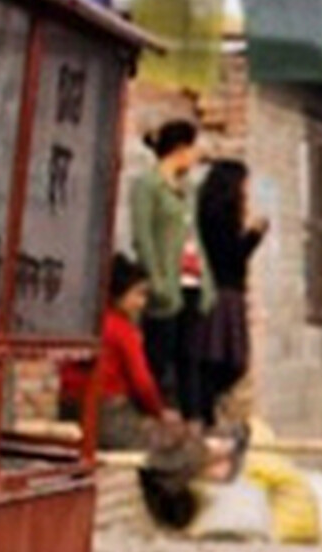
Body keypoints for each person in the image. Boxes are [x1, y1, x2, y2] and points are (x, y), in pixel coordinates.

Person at [130, 120, 213, 417]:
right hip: (166, 283)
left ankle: (192, 423)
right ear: (180, 149)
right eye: (192, 148)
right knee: (159, 357)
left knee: (190, 359)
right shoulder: (148, 185)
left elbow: (196, 236)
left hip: (192, 281)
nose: (195, 155)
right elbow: (142, 237)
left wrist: (207, 282)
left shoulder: (187, 189)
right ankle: (152, 421)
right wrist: (156, 280)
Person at [58, 254, 180, 450]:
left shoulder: (85, 322)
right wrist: (160, 412)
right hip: (109, 418)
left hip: (70, 412)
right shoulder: (122, 330)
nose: (142, 303)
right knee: (182, 442)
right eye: (138, 294)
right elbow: (142, 383)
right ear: (120, 293)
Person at [193, 158, 267, 427]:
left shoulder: (211, 211)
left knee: (222, 360)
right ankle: (206, 410)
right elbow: (232, 256)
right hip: (223, 291)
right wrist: (254, 235)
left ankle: (208, 409)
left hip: (226, 290)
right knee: (225, 359)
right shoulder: (220, 217)